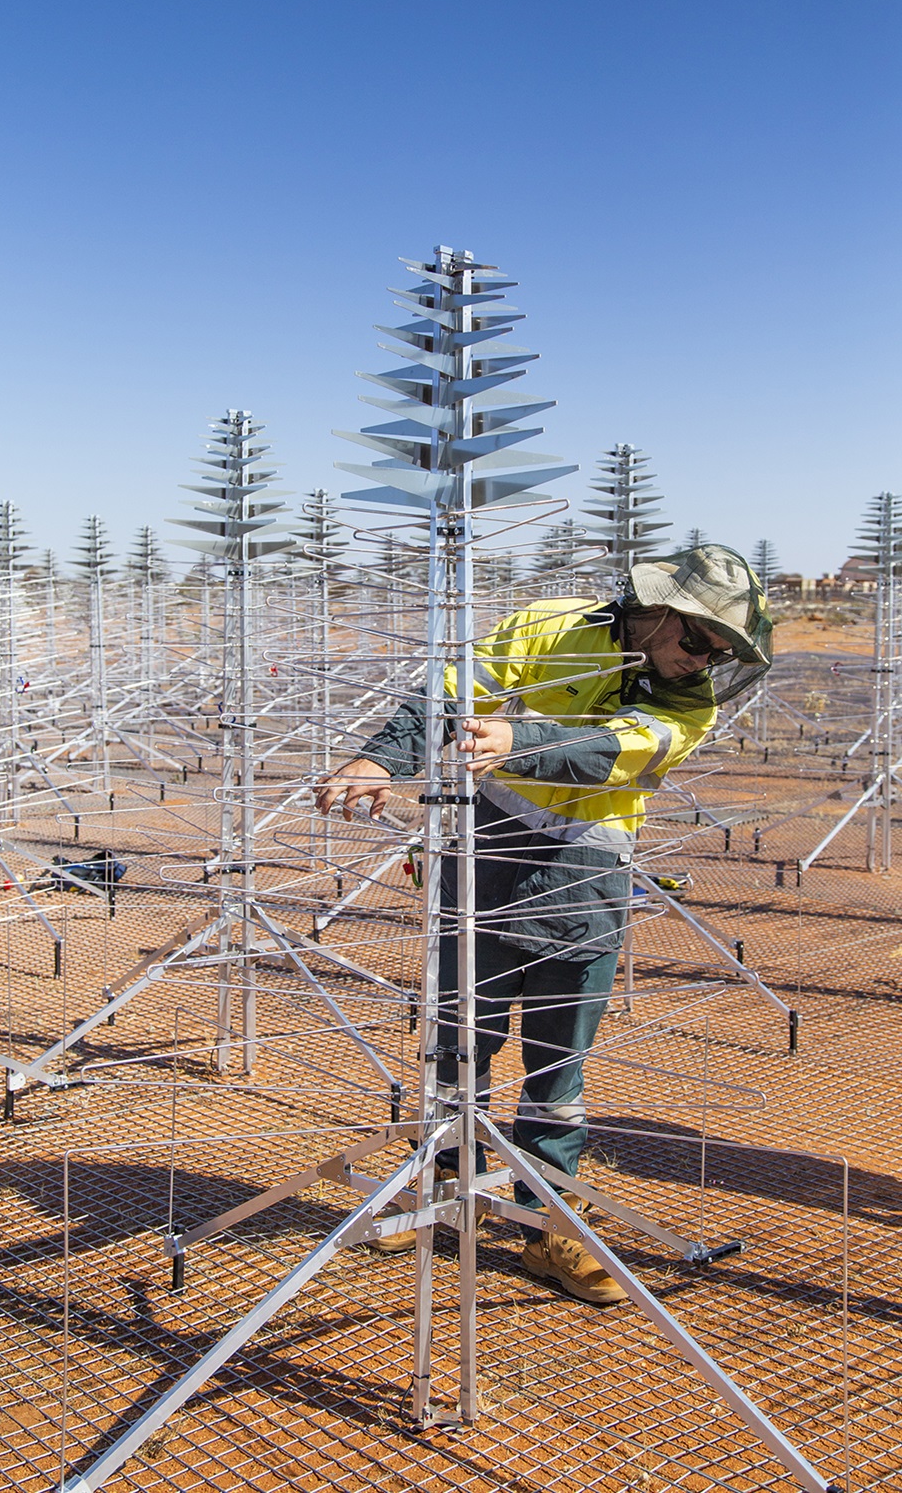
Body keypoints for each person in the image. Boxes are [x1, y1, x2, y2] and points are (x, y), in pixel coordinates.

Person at [315, 544, 772, 1305]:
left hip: (585, 880)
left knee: (557, 1069)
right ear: (656, 611)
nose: (703, 662)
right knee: (461, 1038)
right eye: (696, 641)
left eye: (719, 652)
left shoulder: (691, 700)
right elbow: (449, 689)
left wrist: (519, 740)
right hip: (486, 856)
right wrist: (380, 762)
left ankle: (547, 1220)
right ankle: (444, 1186)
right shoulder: (548, 628)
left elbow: (618, 751)